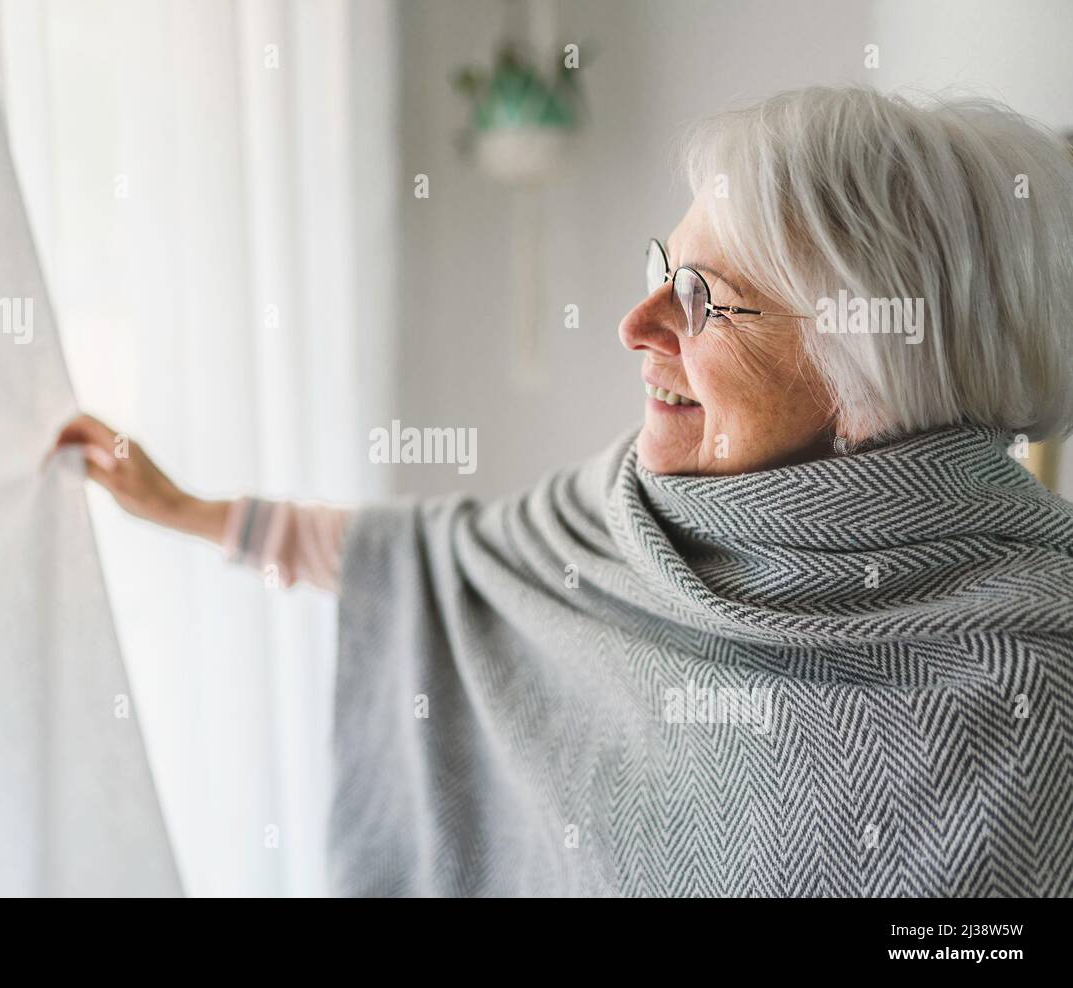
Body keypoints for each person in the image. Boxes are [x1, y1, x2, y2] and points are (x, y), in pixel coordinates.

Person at [55, 86, 1073, 896]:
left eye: (700, 299)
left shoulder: (1036, 675)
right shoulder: (615, 516)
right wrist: (186, 511)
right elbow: (435, 562)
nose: (634, 323)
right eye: (658, 267)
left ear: (871, 368)